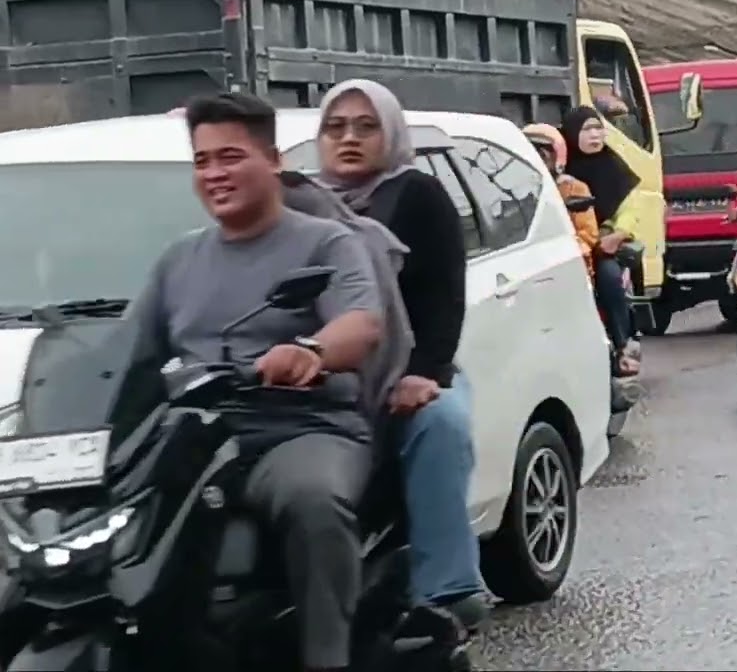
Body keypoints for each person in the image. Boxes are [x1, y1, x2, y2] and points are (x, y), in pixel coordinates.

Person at [135, 92, 385, 672]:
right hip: (194, 437)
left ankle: (328, 658)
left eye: (230, 157)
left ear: (273, 160)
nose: (214, 174)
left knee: (314, 501)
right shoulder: (177, 260)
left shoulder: (327, 242)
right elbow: (126, 354)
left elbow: (361, 324)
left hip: (299, 430)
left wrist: (310, 351)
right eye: (202, 162)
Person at [312, 79, 488, 630]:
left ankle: (448, 589)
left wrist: (422, 374)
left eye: (366, 127)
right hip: (327, 373)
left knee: (440, 425)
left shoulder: (417, 194)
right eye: (336, 127)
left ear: (390, 133)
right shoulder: (302, 202)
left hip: (407, 371)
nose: (349, 138)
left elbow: (443, 296)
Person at [563, 105, 642, 373]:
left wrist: (617, 236)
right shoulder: (562, 171)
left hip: (603, 245)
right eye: (587, 129)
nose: (595, 135)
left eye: (598, 128)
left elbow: (630, 210)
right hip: (568, 243)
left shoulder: (614, 167)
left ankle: (622, 345)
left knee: (608, 277)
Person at [524, 123, 598, 275]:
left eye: (542, 154)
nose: (537, 159)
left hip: (570, 266)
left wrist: (559, 251)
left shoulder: (573, 188)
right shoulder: (516, 191)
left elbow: (589, 235)